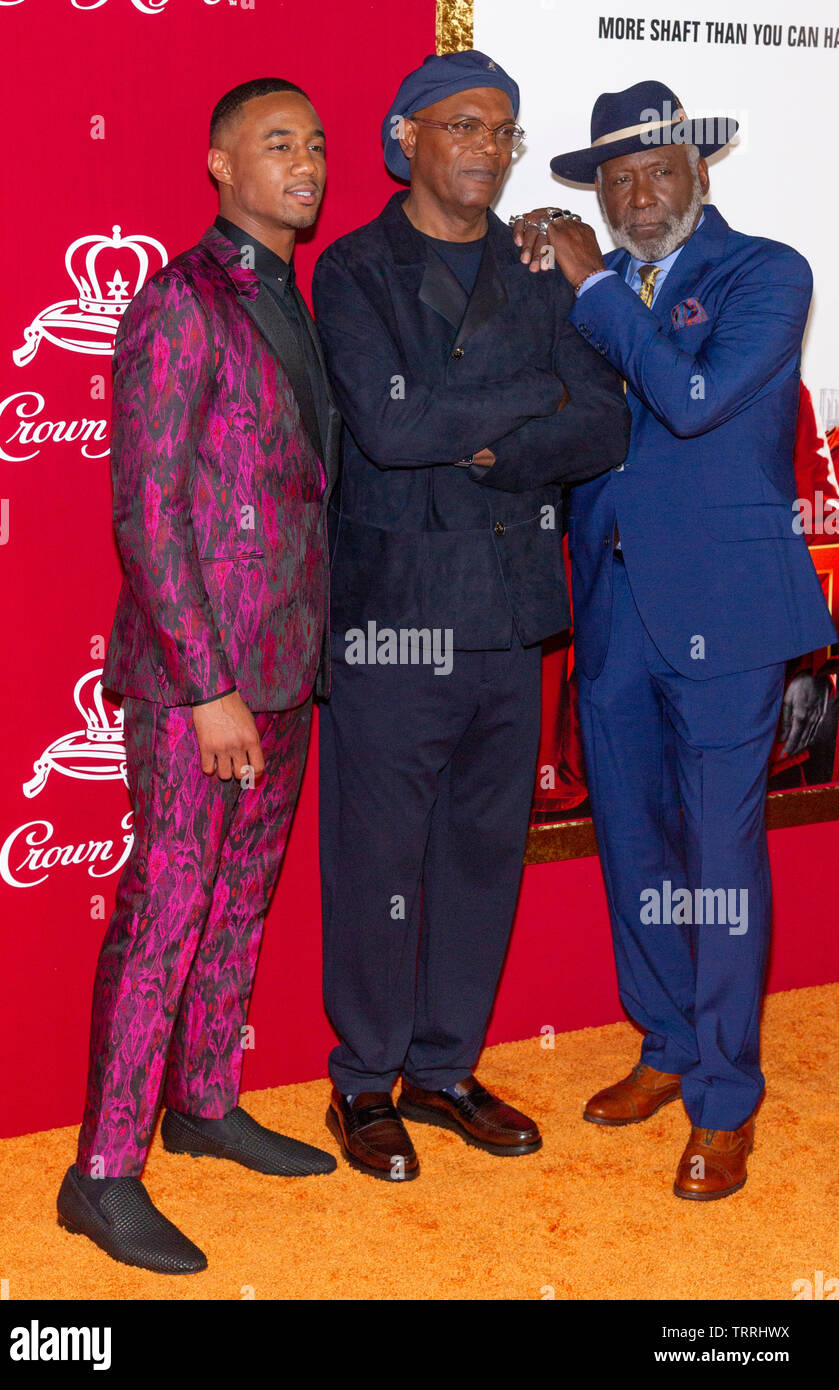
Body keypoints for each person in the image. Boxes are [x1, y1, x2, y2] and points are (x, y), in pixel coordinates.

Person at [512, 79, 837, 1199]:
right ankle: (665, 1043)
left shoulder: (767, 273)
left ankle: (727, 1098)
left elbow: (692, 400)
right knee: (637, 849)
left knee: (719, 861)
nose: (639, 192)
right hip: (609, 611)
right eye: (616, 178)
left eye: (658, 170)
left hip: (730, 615)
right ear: (597, 193)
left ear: (701, 175)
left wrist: (594, 287)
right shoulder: (579, 290)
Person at [312, 51, 629, 1182]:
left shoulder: (542, 264)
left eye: (504, 129)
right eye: (463, 126)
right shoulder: (353, 270)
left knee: (482, 856)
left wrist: (494, 438)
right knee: (379, 856)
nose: (488, 149)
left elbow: (604, 424)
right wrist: (528, 400)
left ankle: (444, 1069)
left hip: (512, 614)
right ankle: (362, 1082)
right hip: (395, 620)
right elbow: (392, 430)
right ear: (404, 138)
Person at [57, 77, 341, 1273]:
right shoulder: (180, 302)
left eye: (318, 145)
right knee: (168, 909)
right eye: (279, 144)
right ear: (220, 164)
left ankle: (205, 1101)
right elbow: (149, 510)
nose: (308, 163)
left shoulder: (292, 297)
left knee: (239, 902)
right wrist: (208, 681)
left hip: (287, 665)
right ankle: (103, 1172)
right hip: (200, 682)